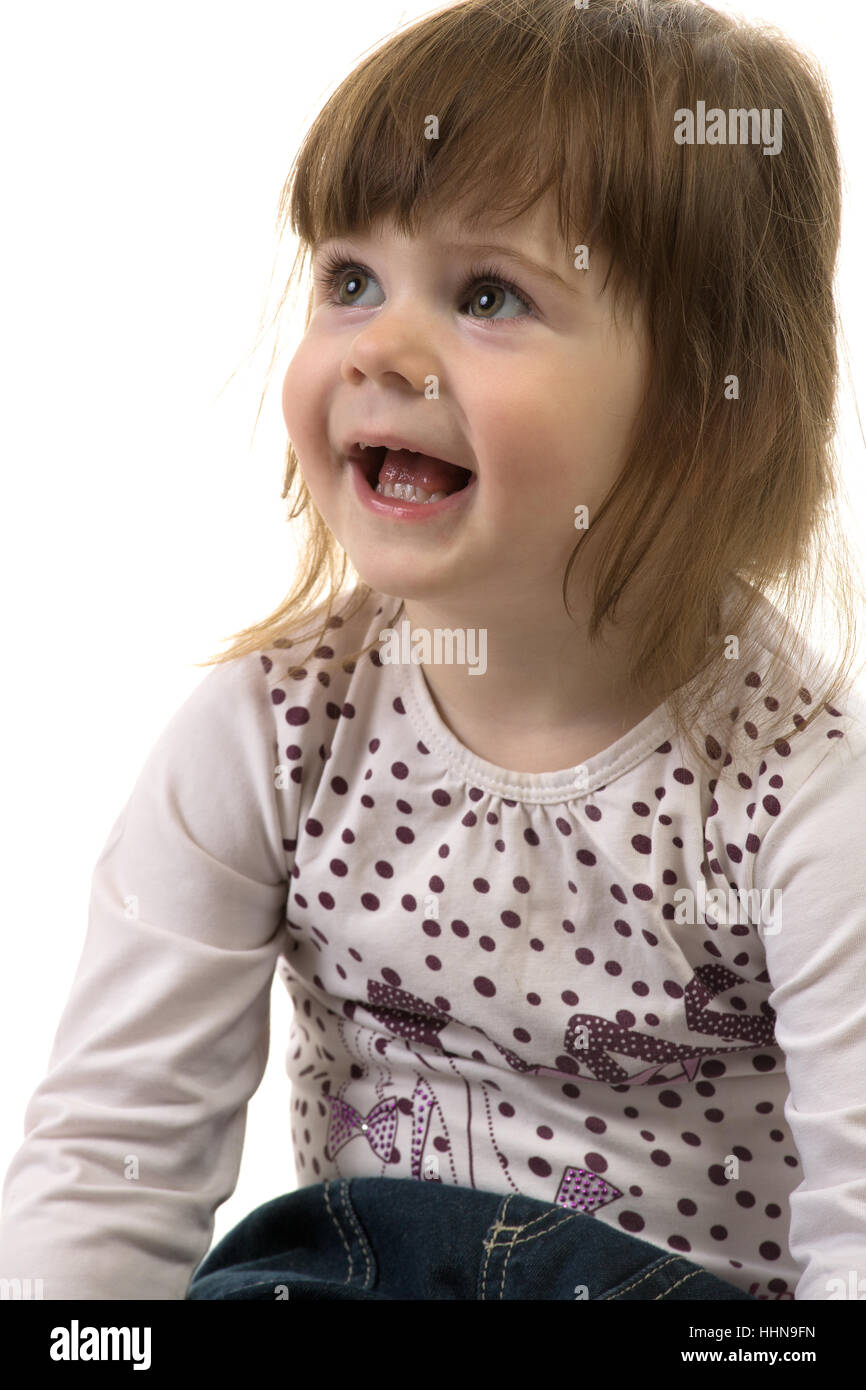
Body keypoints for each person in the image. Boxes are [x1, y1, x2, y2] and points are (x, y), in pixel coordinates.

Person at [1, 0, 864, 1302]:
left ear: (707, 405)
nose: (379, 348)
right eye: (349, 280)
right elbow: (110, 1160)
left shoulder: (799, 794)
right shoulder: (271, 730)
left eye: (485, 294)